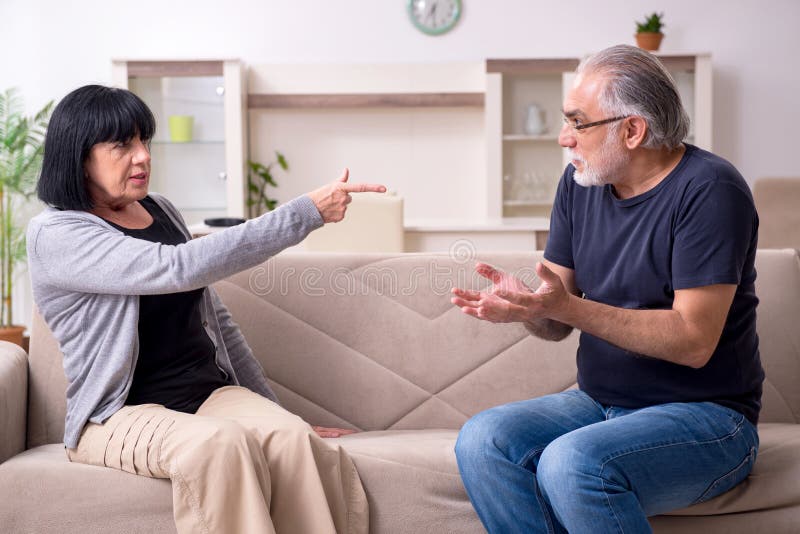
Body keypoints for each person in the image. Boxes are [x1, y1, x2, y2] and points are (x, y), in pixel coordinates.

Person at [28, 84, 387, 534]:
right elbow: (177, 267)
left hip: (207, 396)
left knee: (294, 439)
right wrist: (305, 213)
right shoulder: (57, 234)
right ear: (78, 157)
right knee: (222, 443)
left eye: (145, 141)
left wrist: (275, 413)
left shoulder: (160, 210)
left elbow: (217, 322)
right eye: (123, 145)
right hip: (116, 415)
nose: (142, 156)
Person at [451, 44, 763, 533]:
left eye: (578, 122)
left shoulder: (709, 190)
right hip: (599, 404)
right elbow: (556, 320)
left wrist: (568, 308)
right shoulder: (579, 185)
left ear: (632, 130)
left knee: (574, 462)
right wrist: (529, 307)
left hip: (710, 419)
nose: (563, 138)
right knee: (483, 439)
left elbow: (693, 341)